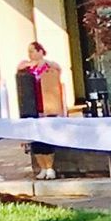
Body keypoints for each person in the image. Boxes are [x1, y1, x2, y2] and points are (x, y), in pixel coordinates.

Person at [16, 41, 65, 180]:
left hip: (47, 106)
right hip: (32, 106)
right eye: (29, 51)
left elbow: (57, 69)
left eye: (32, 51)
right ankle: (42, 167)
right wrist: (29, 64)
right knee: (35, 140)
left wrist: (44, 63)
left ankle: (50, 167)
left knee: (47, 138)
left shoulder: (49, 66)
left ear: (40, 51)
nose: (30, 54)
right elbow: (19, 67)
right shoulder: (26, 67)